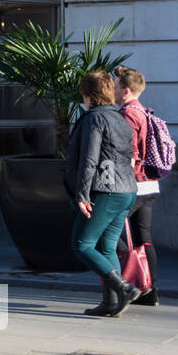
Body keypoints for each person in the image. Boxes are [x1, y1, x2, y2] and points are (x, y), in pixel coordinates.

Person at [64, 70, 140, 316]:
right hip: (126, 190)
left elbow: (89, 160)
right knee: (107, 247)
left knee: (81, 243)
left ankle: (124, 288)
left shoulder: (94, 119)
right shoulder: (120, 118)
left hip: (104, 190)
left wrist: (82, 195)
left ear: (88, 95)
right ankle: (111, 303)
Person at [115, 65, 161, 305]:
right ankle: (150, 290)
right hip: (150, 184)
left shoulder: (127, 114)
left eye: (115, 86)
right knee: (144, 238)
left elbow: (130, 152)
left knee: (107, 232)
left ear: (126, 90)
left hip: (134, 184)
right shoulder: (144, 111)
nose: (112, 90)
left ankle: (126, 285)